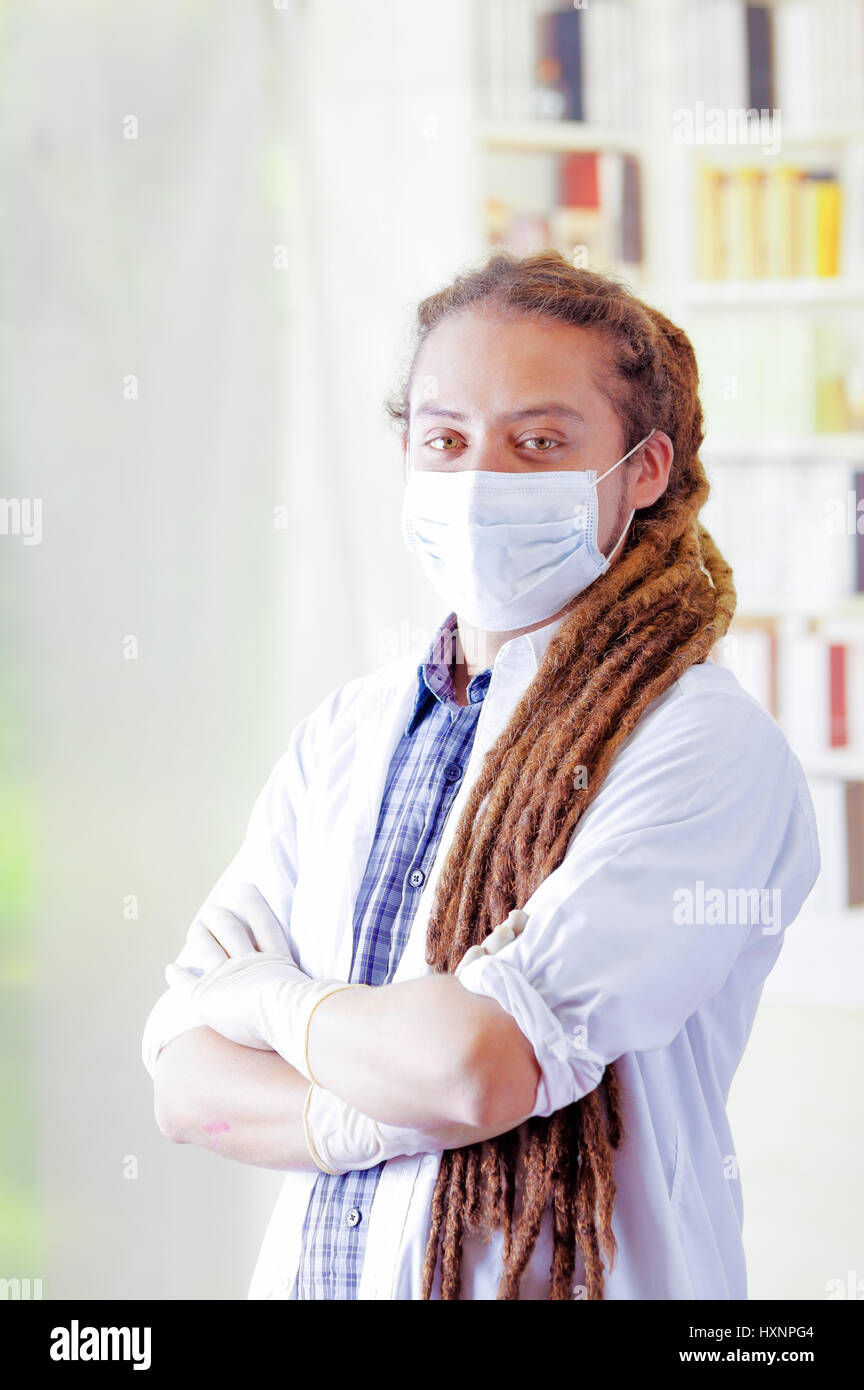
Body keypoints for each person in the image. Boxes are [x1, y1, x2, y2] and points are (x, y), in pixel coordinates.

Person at [141, 250, 819, 1301]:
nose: (479, 480)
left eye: (539, 442)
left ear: (643, 470)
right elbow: (185, 1085)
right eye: (445, 439)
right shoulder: (347, 732)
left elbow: (479, 1066)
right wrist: (355, 1111)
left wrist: (262, 998)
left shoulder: (697, 743)